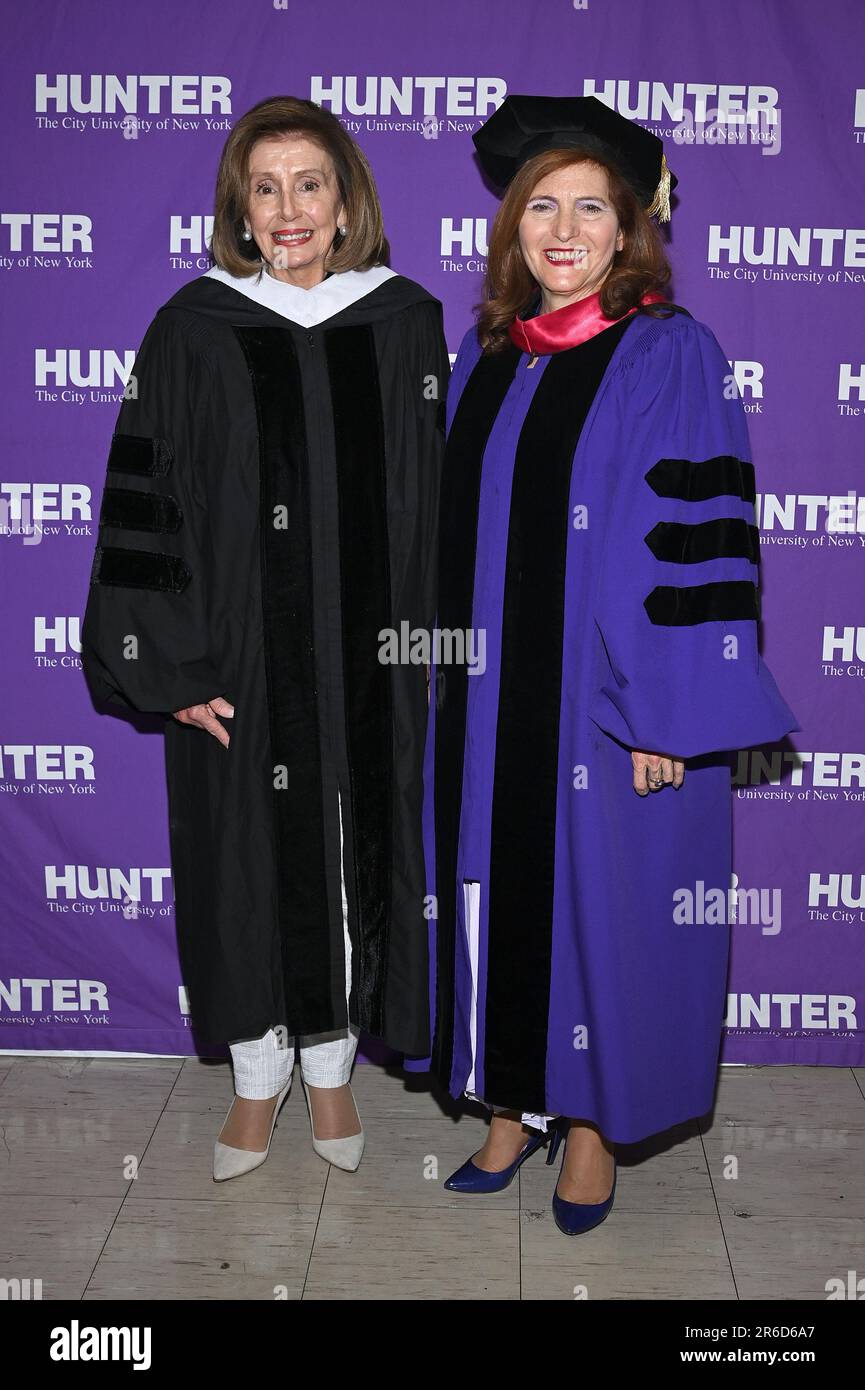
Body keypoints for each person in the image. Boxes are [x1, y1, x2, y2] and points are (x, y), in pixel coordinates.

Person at [407, 95, 799, 1235]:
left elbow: (698, 550)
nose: (563, 228)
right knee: (491, 893)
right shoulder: (485, 357)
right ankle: (508, 1103)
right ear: (511, 227)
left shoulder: (670, 354)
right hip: (488, 708)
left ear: (632, 229)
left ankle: (589, 1126)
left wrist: (672, 720)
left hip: (611, 712)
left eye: (591, 207)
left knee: (604, 910)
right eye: (541, 206)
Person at [81, 96, 450, 1182]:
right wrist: (173, 665)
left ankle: (330, 1066)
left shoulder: (404, 322)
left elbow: (440, 507)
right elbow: (145, 509)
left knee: (352, 863)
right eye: (266, 186)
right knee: (244, 867)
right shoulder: (193, 327)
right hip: (238, 658)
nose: (290, 209)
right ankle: (257, 1075)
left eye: (312, 184)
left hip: (368, 667)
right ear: (240, 208)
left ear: (348, 205)